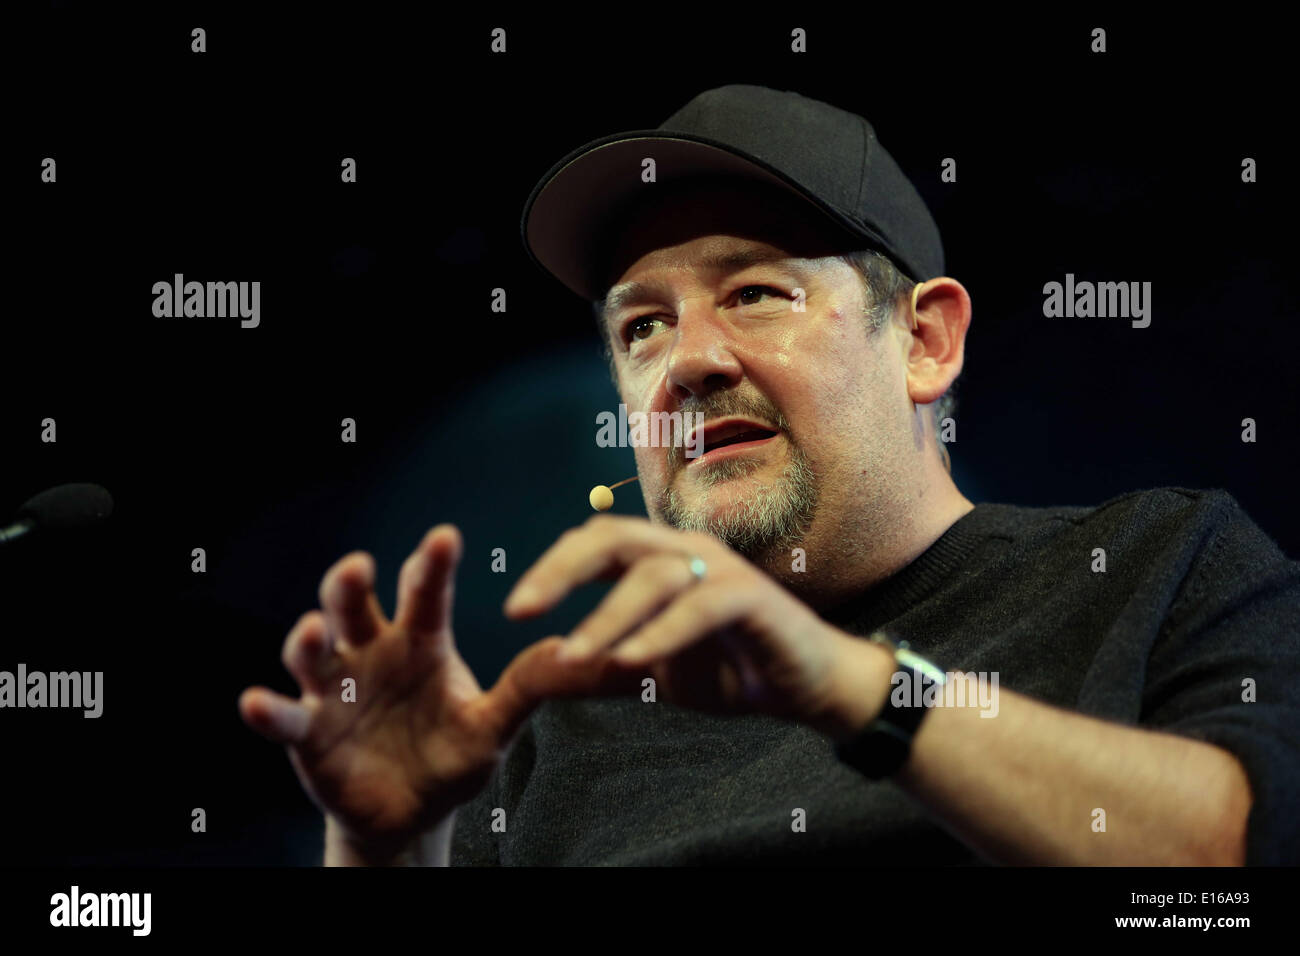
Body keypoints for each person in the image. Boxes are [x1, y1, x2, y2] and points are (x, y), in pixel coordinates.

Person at [238, 85, 1300, 866]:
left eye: (754, 293)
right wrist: (385, 847)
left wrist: (851, 682)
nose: (687, 360)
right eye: (642, 326)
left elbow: (1235, 861)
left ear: (924, 339)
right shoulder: (554, 737)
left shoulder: (1162, 564)